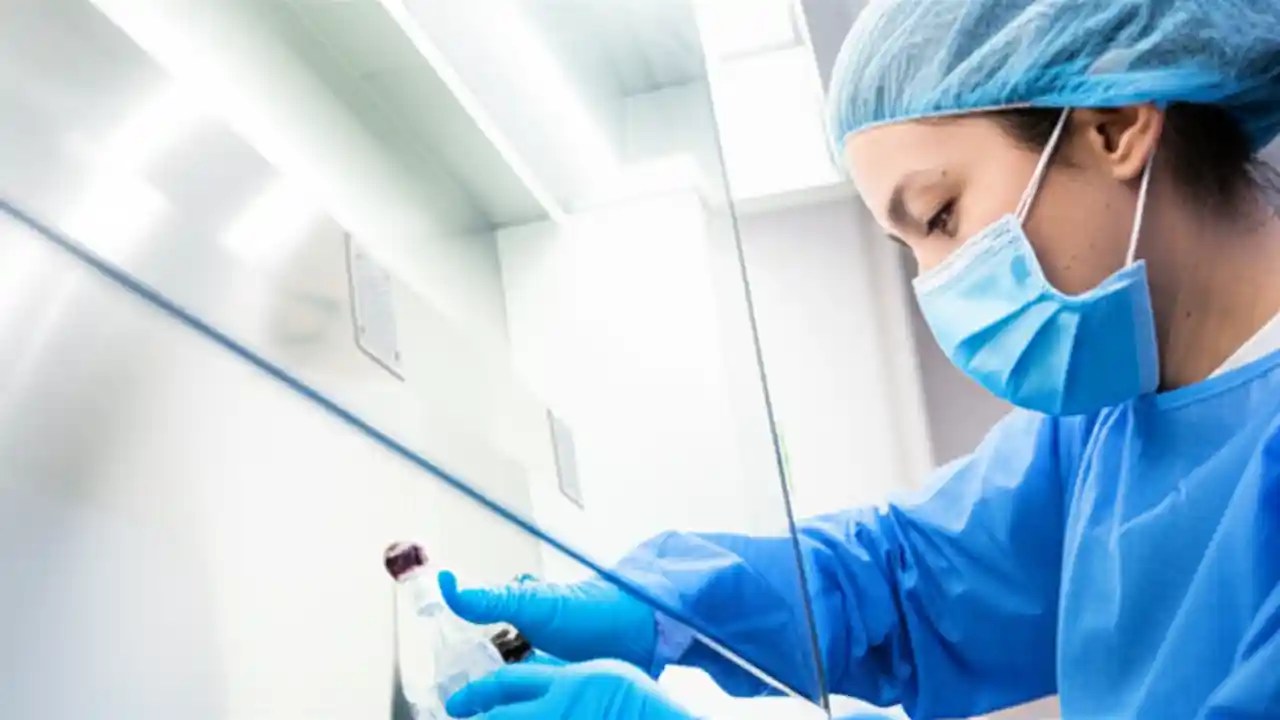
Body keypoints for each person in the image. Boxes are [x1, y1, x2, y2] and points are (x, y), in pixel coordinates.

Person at [440, 0, 1280, 717]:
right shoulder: (1100, 436)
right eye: (908, 246)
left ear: (1115, 125)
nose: (937, 280)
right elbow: (906, 582)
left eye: (940, 216)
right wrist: (660, 608)